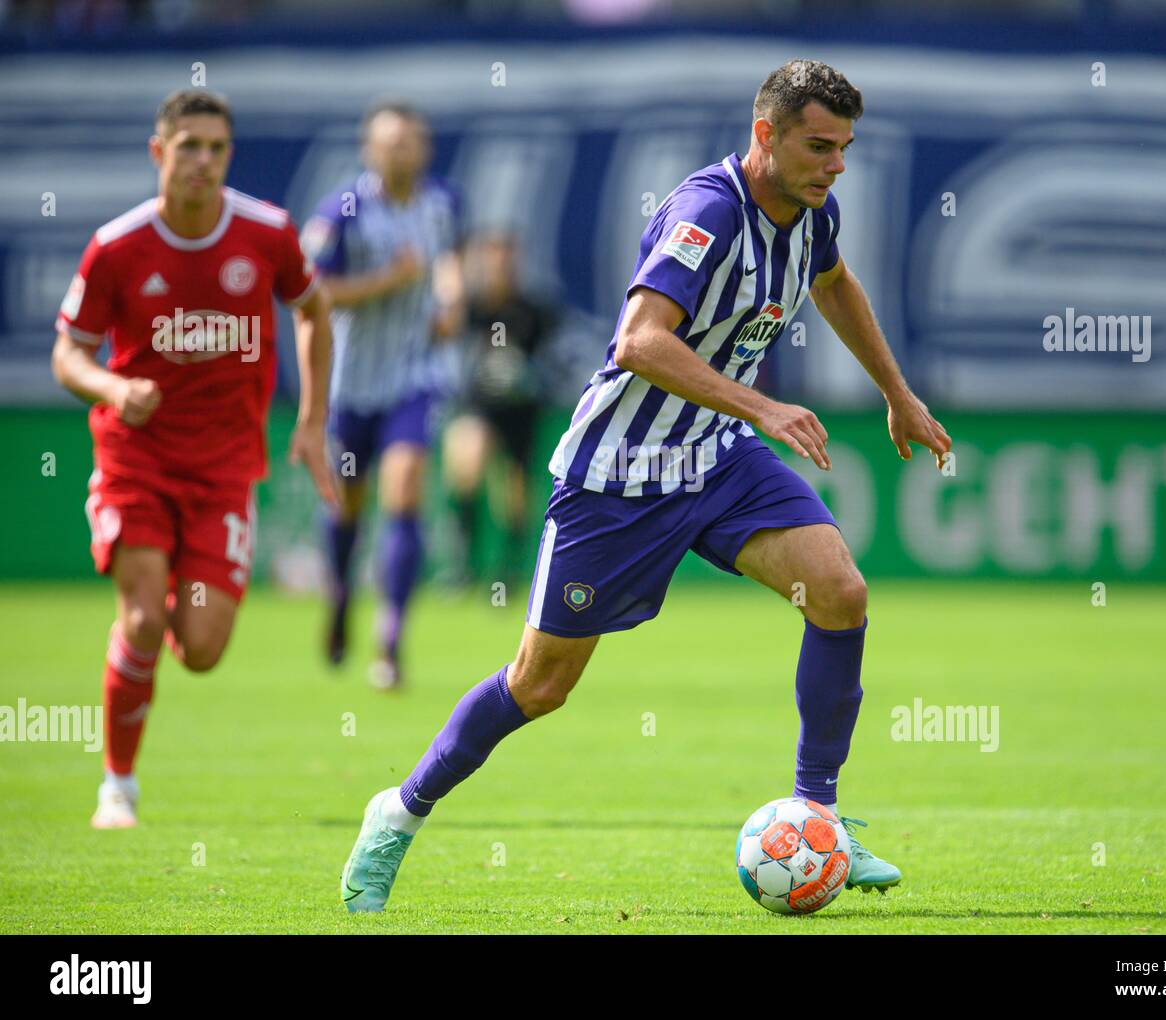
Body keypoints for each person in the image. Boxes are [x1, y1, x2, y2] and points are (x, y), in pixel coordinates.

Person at [340, 59, 951, 911]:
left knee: (840, 592)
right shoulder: (706, 212)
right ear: (765, 134)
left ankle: (820, 813)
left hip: (719, 458)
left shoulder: (814, 212)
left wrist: (898, 392)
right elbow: (637, 341)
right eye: (819, 145)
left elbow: (835, 282)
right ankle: (398, 813)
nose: (835, 165)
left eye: (845, 148)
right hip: (618, 476)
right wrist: (763, 405)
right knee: (539, 685)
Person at [51, 89, 335, 830]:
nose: (203, 162)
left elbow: (313, 309)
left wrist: (311, 421)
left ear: (228, 156)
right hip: (136, 459)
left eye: (216, 148)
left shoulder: (267, 233)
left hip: (223, 471)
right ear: (159, 153)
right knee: (143, 620)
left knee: (202, 648)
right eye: (189, 147)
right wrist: (113, 385)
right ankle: (118, 784)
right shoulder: (117, 246)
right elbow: (68, 354)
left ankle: (173, 592)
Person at [301, 100, 465, 690]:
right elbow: (310, 294)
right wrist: (386, 282)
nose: (406, 152)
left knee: (404, 487)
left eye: (414, 141)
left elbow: (449, 261)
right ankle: (342, 594)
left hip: (414, 376)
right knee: (347, 506)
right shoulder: (342, 211)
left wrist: (451, 302)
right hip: (350, 384)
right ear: (369, 149)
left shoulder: (443, 201)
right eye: (393, 142)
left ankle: (391, 633)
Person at [441, 231, 561, 586]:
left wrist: (533, 377)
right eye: (492, 258)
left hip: (521, 412)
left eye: (506, 258)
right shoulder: (473, 308)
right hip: (481, 406)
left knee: (515, 494)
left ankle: (508, 572)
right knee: (468, 461)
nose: (500, 266)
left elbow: (557, 357)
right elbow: (444, 333)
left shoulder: (534, 310)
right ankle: (465, 566)